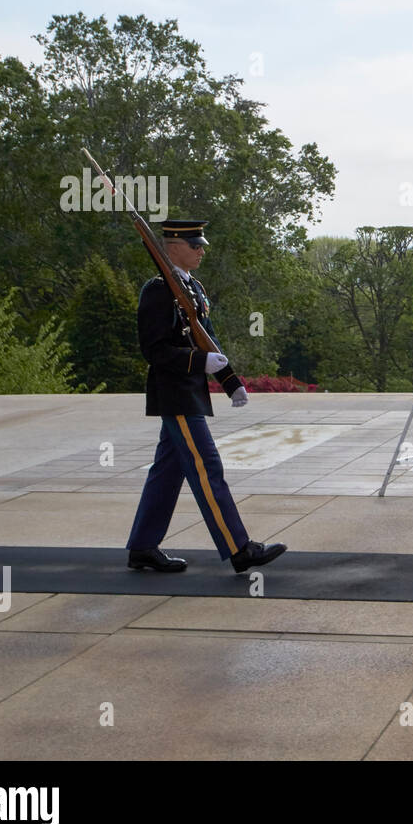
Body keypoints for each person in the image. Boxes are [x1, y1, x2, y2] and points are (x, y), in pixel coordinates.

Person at [125, 220, 287, 574]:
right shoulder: (157, 291)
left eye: (201, 245)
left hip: (190, 394)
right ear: (172, 247)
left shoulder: (192, 288)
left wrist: (231, 382)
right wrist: (198, 362)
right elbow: (154, 350)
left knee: (167, 472)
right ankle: (238, 548)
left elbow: (206, 337)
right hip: (175, 395)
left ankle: (142, 547)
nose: (201, 250)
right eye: (195, 245)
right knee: (206, 467)